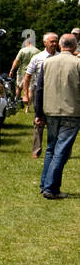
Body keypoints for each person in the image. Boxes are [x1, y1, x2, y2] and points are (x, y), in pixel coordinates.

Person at [39, 33, 80, 199]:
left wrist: (39, 112)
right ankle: (50, 188)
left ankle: (45, 184)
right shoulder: (78, 63)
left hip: (51, 110)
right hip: (71, 111)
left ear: (60, 45)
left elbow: (39, 88)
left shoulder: (47, 62)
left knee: (51, 149)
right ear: (75, 46)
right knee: (61, 151)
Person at [24, 32, 60, 157]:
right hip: (40, 94)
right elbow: (27, 76)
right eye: (52, 41)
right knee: (38, 122)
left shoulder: (60, 57)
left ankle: (54, 150)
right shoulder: (37, 57)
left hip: (56, 95)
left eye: (56, 41)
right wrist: (25, 94)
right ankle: (36, 151)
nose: (54, 44)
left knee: (54, 123)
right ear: (45, 43)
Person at [8, 35, 40, 101]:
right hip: (33, 72)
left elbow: (16, 61)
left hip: (21, 72)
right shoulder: (38, 51)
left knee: (19, 88)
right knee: (30, 90)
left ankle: (17, 102)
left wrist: (12, 70)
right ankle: (27, 108)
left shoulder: (22, 50)